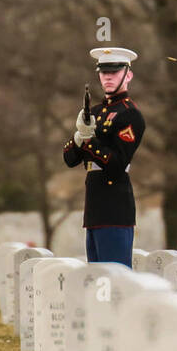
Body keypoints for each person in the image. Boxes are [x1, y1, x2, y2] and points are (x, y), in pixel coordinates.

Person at [62, 47, 145, 266]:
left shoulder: (130, 114)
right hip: (94, 208)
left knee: (115, 280)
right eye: (103, 72)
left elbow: (116, 165)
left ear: (128, 75)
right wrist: (80, 137)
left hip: (115, 207)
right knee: (96, 279)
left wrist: (90, 141)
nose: (108, 76)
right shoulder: (96, 112)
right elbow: (70, 159)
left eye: (115, 72)